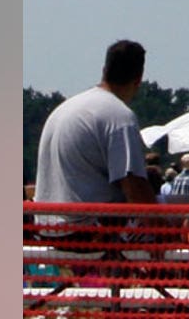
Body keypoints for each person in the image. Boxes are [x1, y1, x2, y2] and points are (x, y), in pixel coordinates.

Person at [32, 40, 158, 238]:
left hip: (47, 227)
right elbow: (135, 187)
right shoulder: (119, 117)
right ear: (139, 78)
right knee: (160, 237)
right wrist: (165, 228)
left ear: (104, 70)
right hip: (87, 230)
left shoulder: (66, 109)